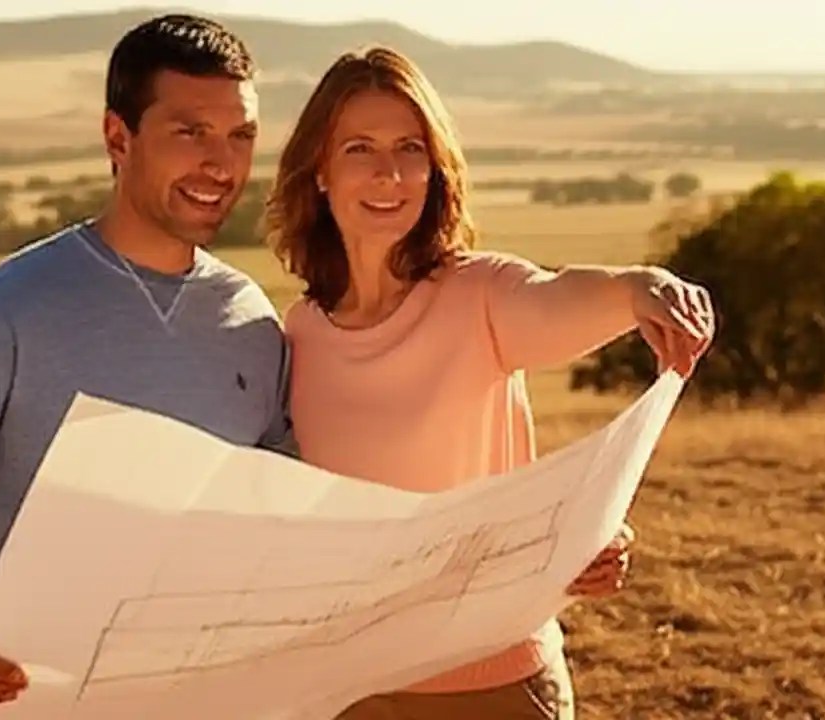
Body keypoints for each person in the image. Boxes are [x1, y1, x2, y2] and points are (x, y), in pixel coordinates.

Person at [0, 14, 293, 716]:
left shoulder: (251, 318)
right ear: (117, 137)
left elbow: (288, 518)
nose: (222, 165)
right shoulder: (3, 311)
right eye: (190, 132)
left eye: (241, 136)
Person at [264, 47, 714, 719]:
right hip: (352, 690)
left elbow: (561, 297)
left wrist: (639, 287)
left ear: (434, 167)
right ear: (320, 172)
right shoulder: (297, 334)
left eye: (409, 148)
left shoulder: (480, 294)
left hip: (492, 688)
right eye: (359, 148)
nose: (388, 172)